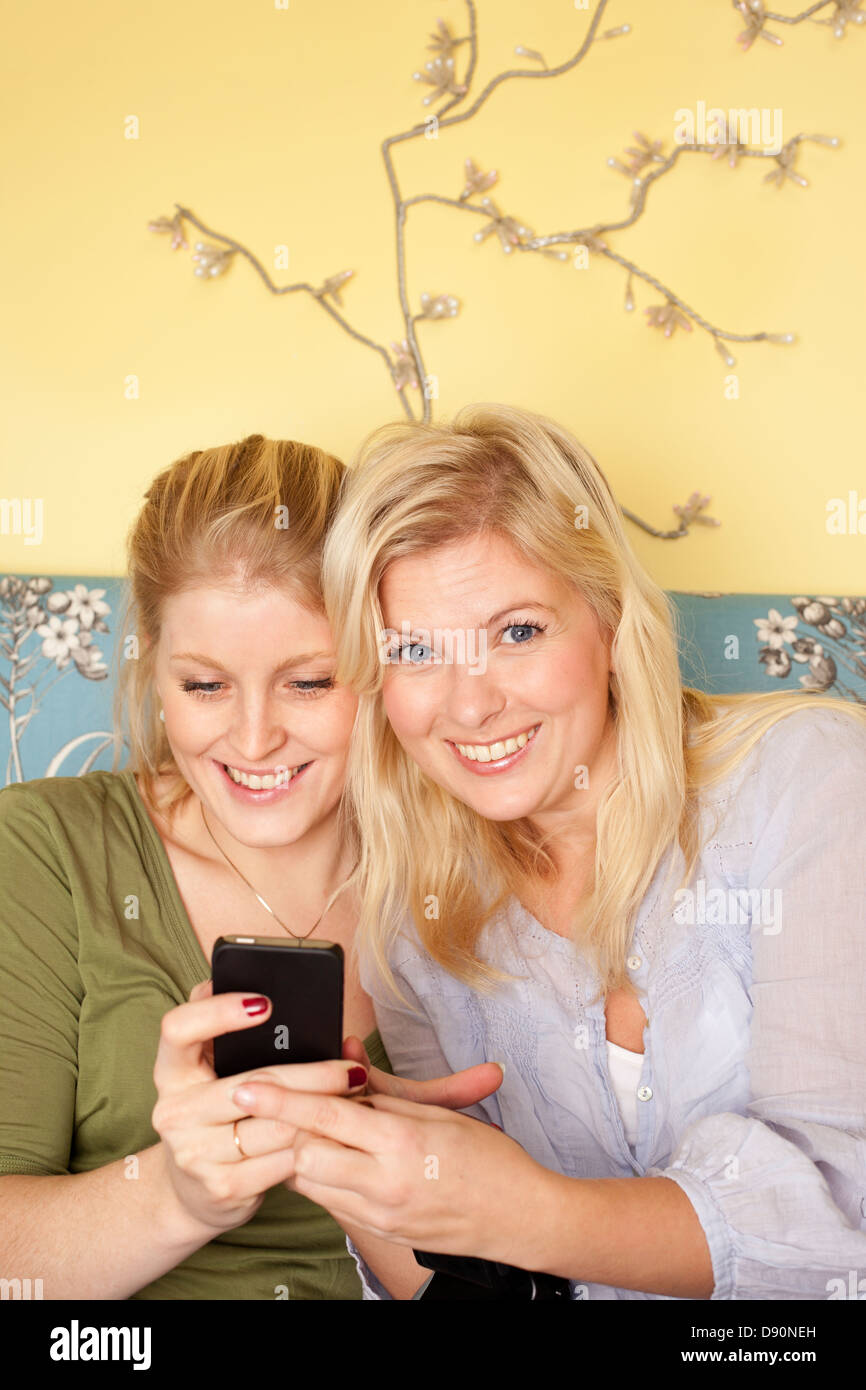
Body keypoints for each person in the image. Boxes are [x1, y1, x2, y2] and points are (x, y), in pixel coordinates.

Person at [231, 402, 866, 1300]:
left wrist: (529, 1214)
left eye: (517, 632)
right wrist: (340, 1151)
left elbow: (848, 1218)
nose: (470, 704)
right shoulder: (418, 916)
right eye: (414, 651)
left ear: (609, 623)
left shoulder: (809, 782)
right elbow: (473, 1290)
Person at [0, 432, 496, 1300]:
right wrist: (178, 1195)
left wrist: (359, 1153)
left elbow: (523, 1267)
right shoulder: (46, 853)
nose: (256, 737)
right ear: (152, 667)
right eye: (205, 686)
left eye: (308, 682)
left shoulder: (473, 864)